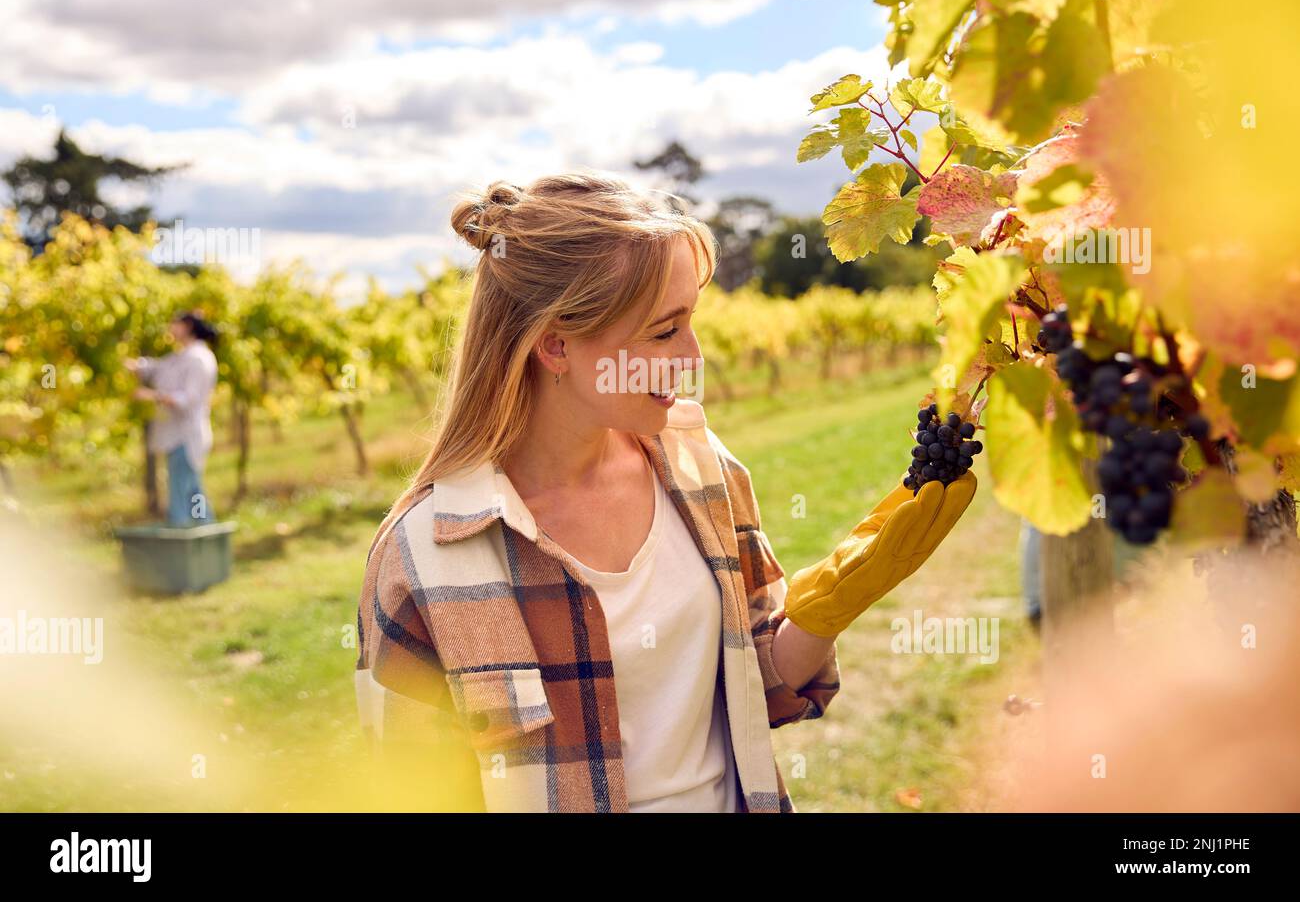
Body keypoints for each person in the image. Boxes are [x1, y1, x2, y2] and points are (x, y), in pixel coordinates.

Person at [354, 172, 977, 813]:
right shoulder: (428, 559)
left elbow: (754, 686)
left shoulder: (704, 472)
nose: (693, 355)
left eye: (692, 323)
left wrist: (827, 608)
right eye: (663, 331)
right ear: (556, 343)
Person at [127, 312, 220, 527]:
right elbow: (161, 366)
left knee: (181, 491)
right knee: (192, 489)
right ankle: (206, 531)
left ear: (187, 326)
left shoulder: (198, 358)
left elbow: (189, 398)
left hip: (186, 435)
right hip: (178, 435)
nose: (170, 329)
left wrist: (153, 395)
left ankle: (185, 537)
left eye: (174, 324)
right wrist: (138, 366)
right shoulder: (184, 355)